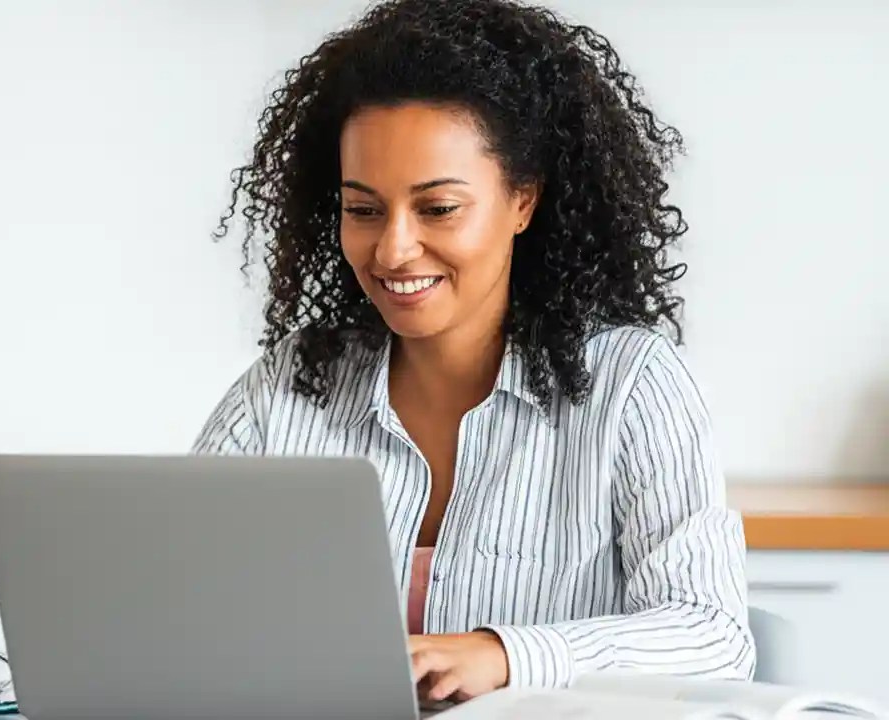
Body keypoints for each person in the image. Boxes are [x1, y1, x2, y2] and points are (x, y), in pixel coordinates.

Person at [191, 0, 755, 705]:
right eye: (363, 210)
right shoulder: (288, 387)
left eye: (438, 209)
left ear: (523, 201)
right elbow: (176, 600)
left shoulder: (631, 384)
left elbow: (712, 635)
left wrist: (505, 655)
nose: (393, 249)